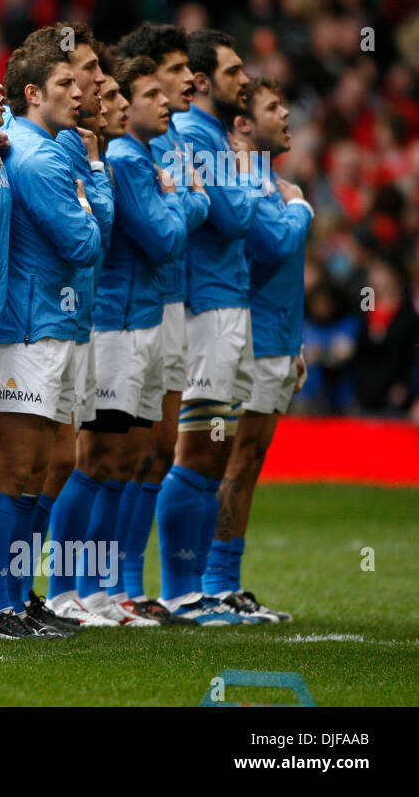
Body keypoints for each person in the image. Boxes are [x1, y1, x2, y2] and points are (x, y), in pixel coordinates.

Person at [0, 39, 100, 637]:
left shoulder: (38, 148)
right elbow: (84, 244)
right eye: (66, 86)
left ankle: (14, 599)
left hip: (46, 322)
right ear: (32, 94)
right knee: (11, 471)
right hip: (28, 325)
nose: (80, 94)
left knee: (33, 472)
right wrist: (91, 183)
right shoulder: (41, 159)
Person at [87, 55, 208, 624]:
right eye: (151, 93)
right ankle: (79, 588)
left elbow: (168, 230)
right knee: (96, 460)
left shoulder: (142, 157)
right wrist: (190, 196)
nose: (166, 101)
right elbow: (162, 238)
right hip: (115, 321)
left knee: (130, 457)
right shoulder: (128, 160)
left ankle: (109, 589)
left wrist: (179, 198)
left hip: (142, 319)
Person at [156, 29, 264, 624]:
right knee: (197, 450)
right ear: (201, 80)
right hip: (205, 305)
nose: (243, 80)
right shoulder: (198, 135)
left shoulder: (211, 136)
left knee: (212, 452)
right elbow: (234, 214)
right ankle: (180, 589)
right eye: (233, 70)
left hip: (222, 301)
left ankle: (198, 588)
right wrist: (251, 174)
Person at [203, 77, 311, 622]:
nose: (286, 113)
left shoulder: (264, 179)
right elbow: (275, 243)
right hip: (251, 337)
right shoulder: (246, 177)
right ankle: (212, 581)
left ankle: (224, 581)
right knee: (233, 459)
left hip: (274, 338)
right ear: (243, 123)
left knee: (246, 461)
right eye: (273, 106)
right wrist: (300, 209)